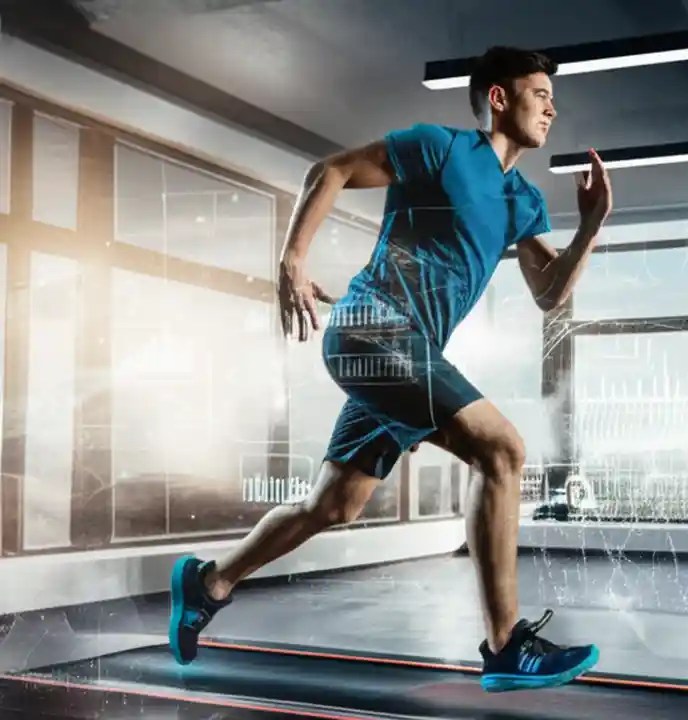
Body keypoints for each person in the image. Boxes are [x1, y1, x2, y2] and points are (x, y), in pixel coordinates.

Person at [167, 46, 612, 693]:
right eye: (539, 92)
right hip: (371, 330)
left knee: (334, 504)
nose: (551, 105)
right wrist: (292, 259)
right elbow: (332, 169)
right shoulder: (439, 149)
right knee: (503, 450)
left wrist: (591, 228)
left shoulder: (521, 198)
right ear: (497, 97)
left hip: (411, 355)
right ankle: (505, 644)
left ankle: (208, 583)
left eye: (553, 97)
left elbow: (551, 293)